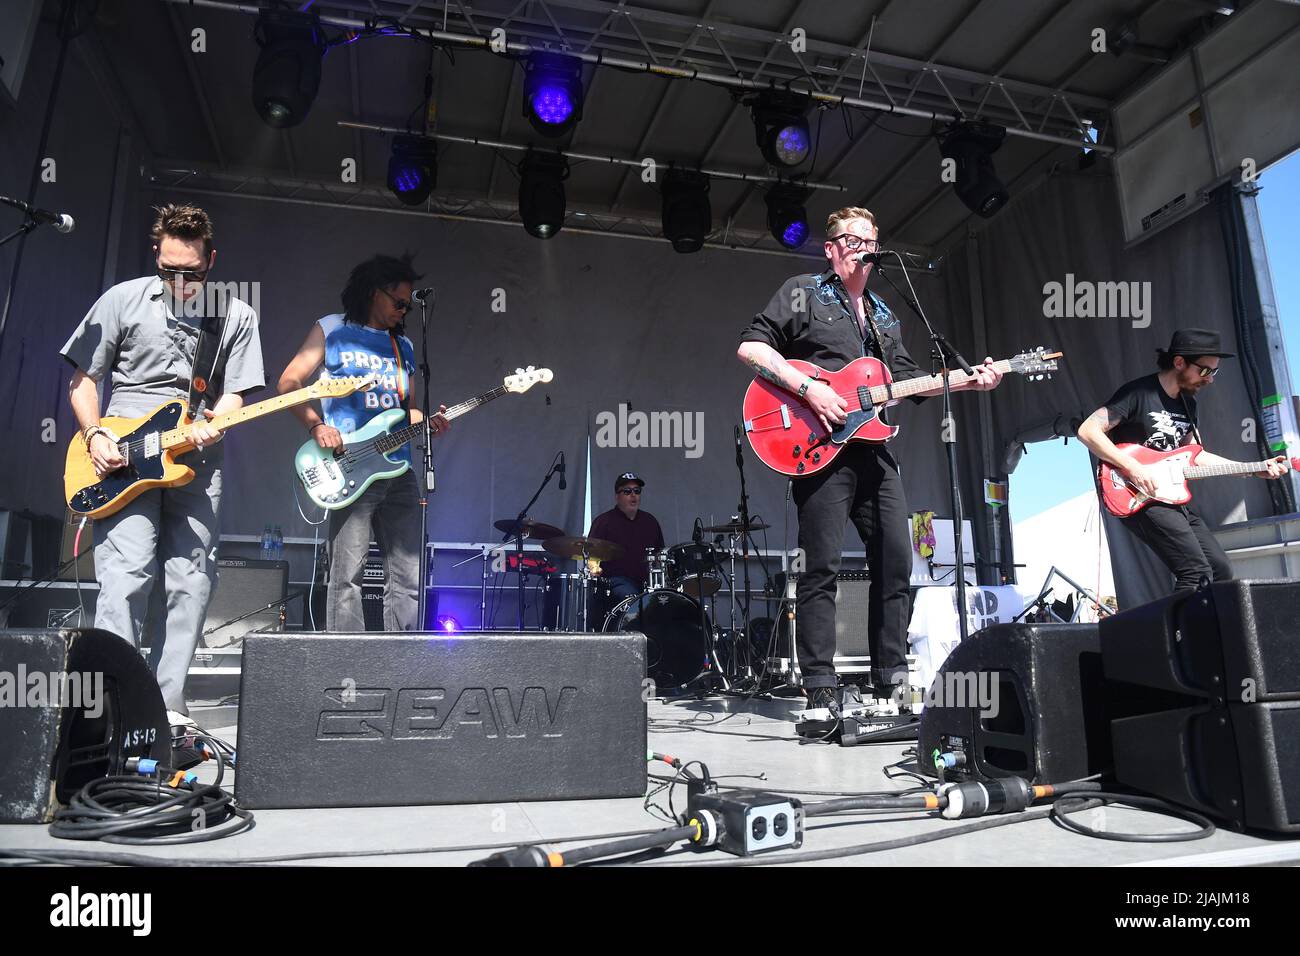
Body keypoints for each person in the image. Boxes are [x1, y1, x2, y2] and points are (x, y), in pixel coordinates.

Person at [736, 206, 1002, 717]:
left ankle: (892, 677)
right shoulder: (804, 292)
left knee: (897, 559)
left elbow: (906, 380)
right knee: (822, 566)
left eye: (870, 238)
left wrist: (968, 380)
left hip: (873, 448)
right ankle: (819, 684)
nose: (863, 245)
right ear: (831, 247)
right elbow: (752, 348)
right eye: (852, 238)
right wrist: (811, 388)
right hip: (818, 449)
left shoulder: (884, 314)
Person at [60, 203, 265, 721]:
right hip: (124, 457)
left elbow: (237, 394)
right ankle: (112, 709)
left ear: (211, 260)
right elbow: (83, 379)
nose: (180, 280)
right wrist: (95, 433)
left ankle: (164, 707)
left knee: (192, 581)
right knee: (127, 577)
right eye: (168, 269)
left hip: (196, 458)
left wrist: (216, 419)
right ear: (157, 254)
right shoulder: (122, 300)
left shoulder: (236, 315)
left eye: (191, 273)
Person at [278, 254, 449, 631]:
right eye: (398, 302)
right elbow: (288, 384)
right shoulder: (332, 328)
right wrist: (315, 425)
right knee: (346, 575)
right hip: (349, 463)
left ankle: (400, 659)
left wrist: (430, 421)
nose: (403, 310)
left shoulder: (402, 344)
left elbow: (408, 411)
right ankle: (348, 664)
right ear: (374, 293)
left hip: (399, 467)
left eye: (407, 305)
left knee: (407, 575)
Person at [1076, 328, 1288, 595]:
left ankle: (1210, 633)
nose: (1210, 379)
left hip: (1169, 496)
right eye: (1205, 371)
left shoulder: (1189, 405)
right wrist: (1133, 467)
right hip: (1135, 494)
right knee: (1195, 573)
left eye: (1214, 372)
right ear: (1179, 362)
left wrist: (1254, 469)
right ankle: (1175, 637)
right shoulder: (1139, 393)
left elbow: (1194, 455)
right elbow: (1088, 430)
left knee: (1220, 569)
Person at [587, 472, 665, 607]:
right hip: (615, 583)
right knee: (631, 597)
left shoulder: (650, 521)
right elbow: (591, 555)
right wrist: (594, 568)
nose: (633, 495)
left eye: (637, 491)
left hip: (647, 583)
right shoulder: (604, 522)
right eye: (627, 491)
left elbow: (659, 554)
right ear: (617, 496)